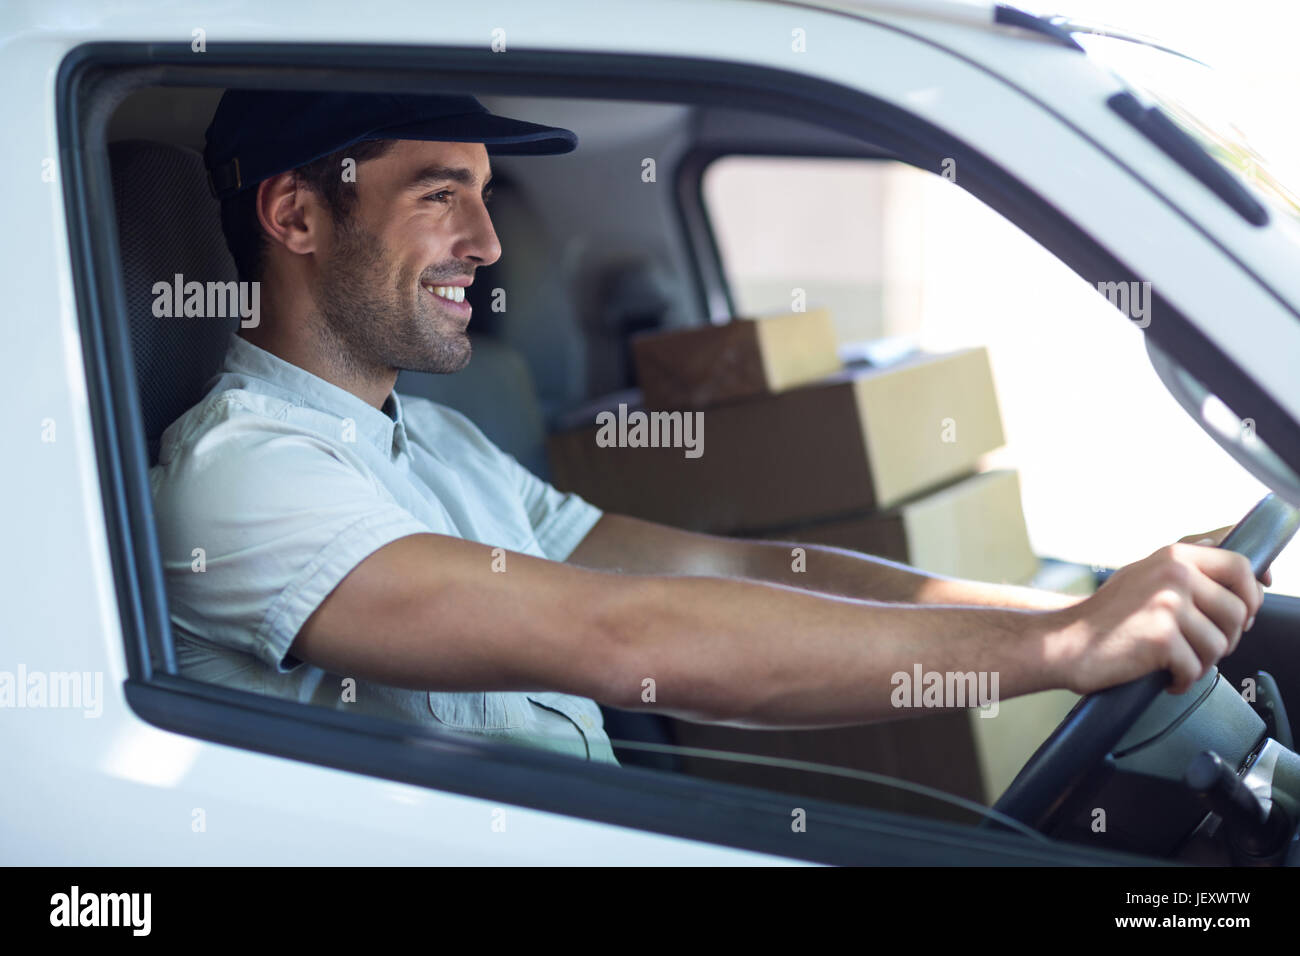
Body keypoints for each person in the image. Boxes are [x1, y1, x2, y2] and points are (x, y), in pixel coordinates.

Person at [149, 90, 1266, 765]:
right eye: (442, 194)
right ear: (296, 215)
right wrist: (1055, 653)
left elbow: (734, 565)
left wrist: (1072, 609)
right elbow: (628, 638)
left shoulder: (437, 443)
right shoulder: (239, 477)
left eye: (485, 196)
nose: (488, 244)